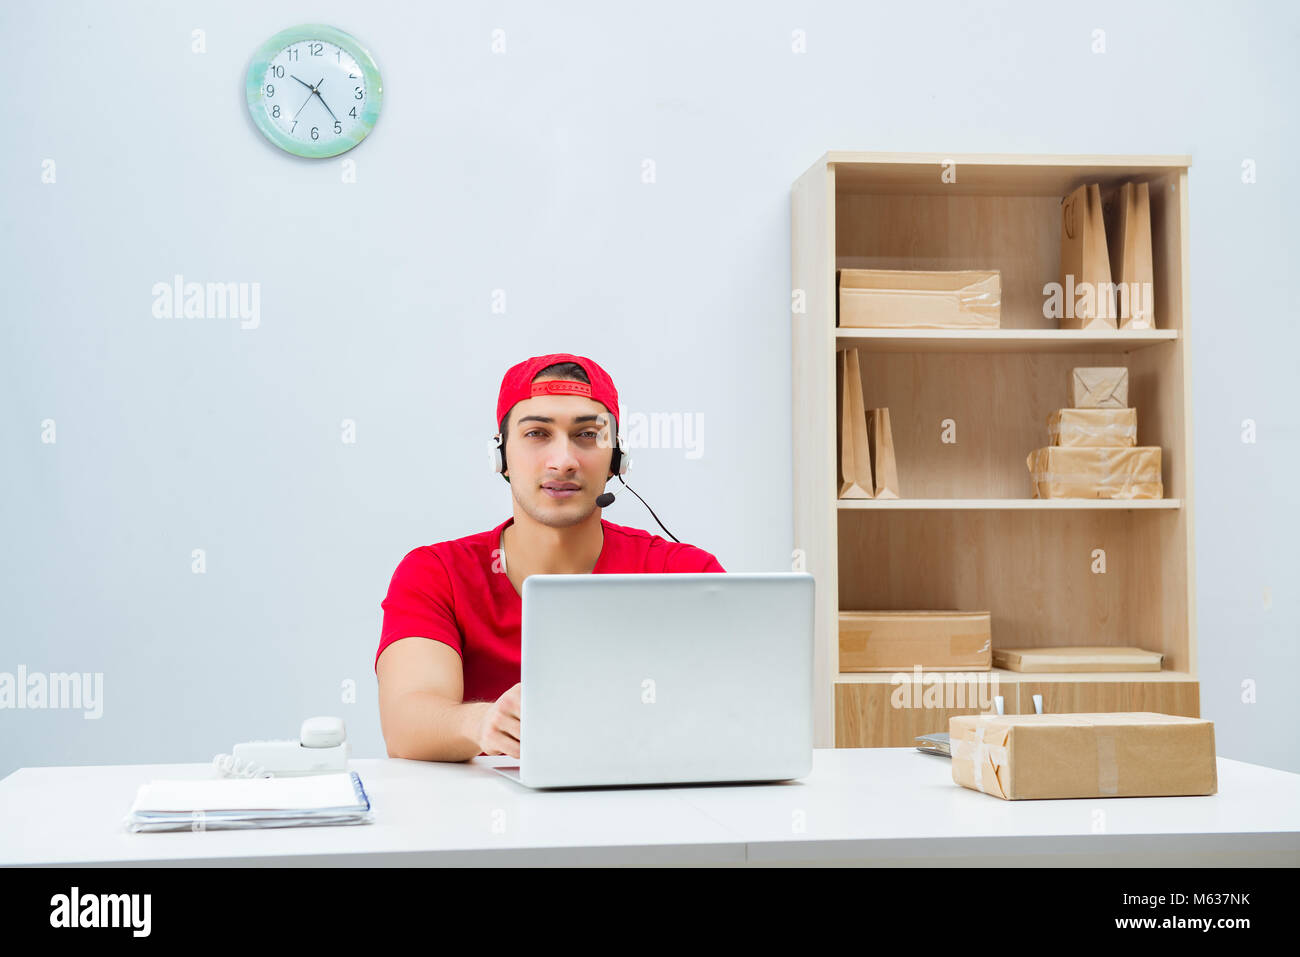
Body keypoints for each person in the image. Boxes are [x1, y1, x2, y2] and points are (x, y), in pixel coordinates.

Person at [375, 353, 725, 762]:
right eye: (538, 433)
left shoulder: (683, 573)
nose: (563, 461)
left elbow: (733, 711)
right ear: (501, 457)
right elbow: (406, 723)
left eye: (587, 435)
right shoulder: (436, 574)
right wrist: (481, 724)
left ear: (617, 460)